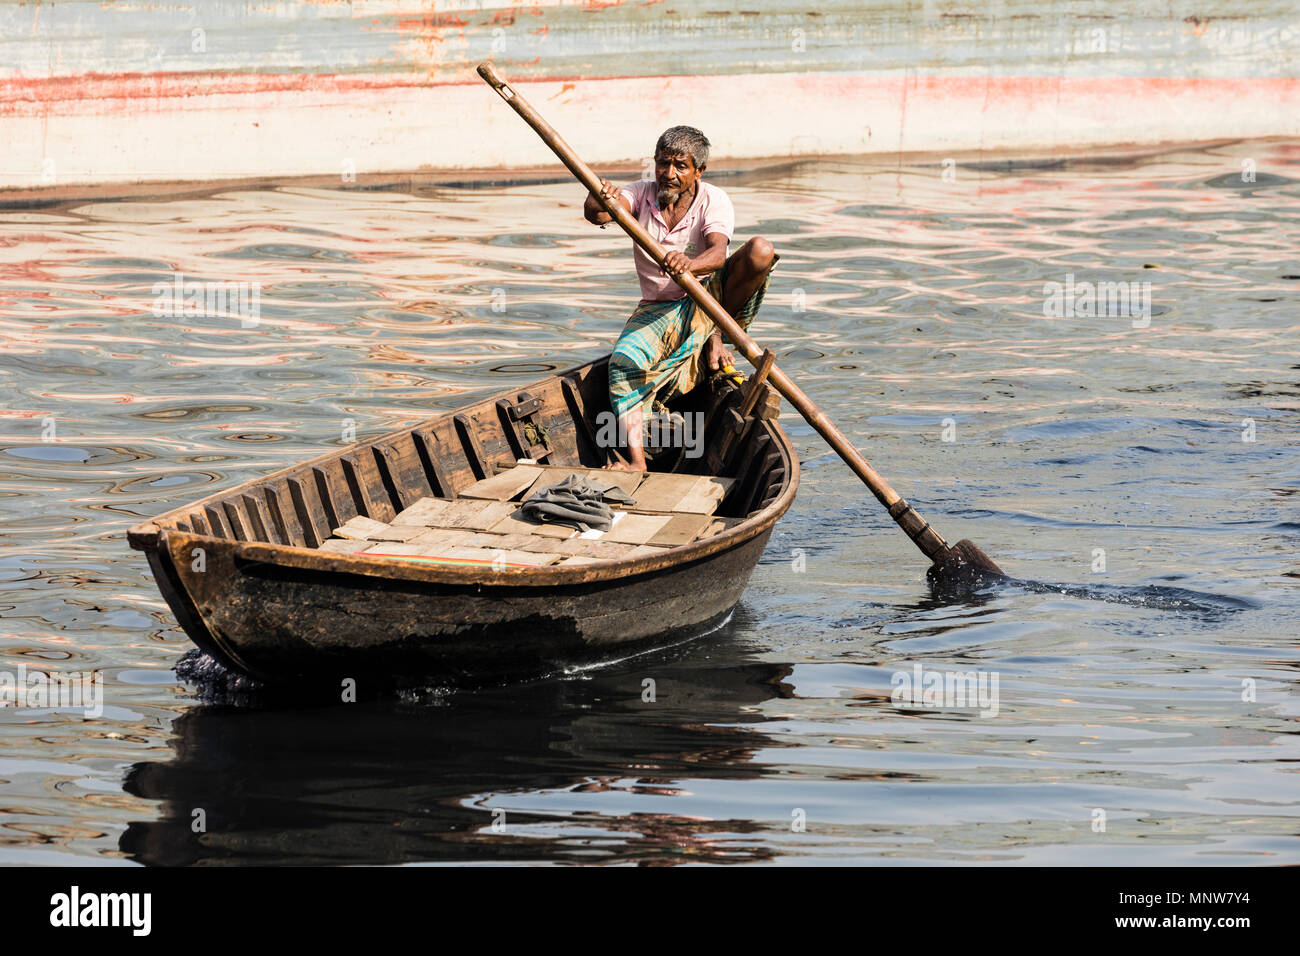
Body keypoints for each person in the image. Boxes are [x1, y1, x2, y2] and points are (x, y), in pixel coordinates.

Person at [583, 125, 777, 472]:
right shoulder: (640, 193)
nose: (668, 174)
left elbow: (718, 253)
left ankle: (715, 334)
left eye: (680, 166)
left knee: (761, 251)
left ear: (698, 171)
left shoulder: (712, 199)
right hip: (658, 308)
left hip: (707, 298)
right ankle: (637, 462)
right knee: (624, 363)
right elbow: (598, 214)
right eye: (662, 164)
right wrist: (600, 198)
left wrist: (690, 264)